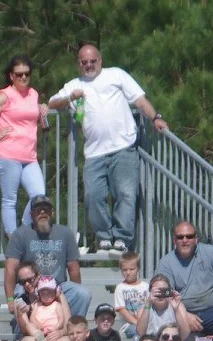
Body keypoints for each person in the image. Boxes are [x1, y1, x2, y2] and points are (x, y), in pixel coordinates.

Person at [45, 41, 168, 253]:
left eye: (93, 61)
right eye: (84, 62)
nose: (89, 65)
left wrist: (155, 117)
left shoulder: (116, 75)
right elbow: (52, 103)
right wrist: (69, 97)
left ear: (100, 60)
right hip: (94, 153)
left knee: (126, 194)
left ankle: (121, 238)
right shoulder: (74, 84)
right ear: (79, 64)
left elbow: (139, 100)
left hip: (123, 146)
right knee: (93, 196)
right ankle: (103, 238)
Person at [0, 54, 46, 239]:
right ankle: (13, 237)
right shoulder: (6, 95)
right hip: (8, 154)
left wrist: (43, 107)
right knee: (10, 199)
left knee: (39, 196)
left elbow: (32, 113)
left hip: (30, 156)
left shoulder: (33, 93)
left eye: (26, 74)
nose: (23, 78)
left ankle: (23, 228)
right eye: (19, 74)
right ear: (11, 76)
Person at [153, 223, 213, 337]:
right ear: (174, 241)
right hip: (181, 314)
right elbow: (163, 292)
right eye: (180, 237)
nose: (185, 240)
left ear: (196, 239)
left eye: (189, 236)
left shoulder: (210, 252)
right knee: (180, 340)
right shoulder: (166, 263)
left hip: (212, 312)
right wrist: (184, 314)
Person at [2, 196, 86, 315]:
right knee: (19, 297)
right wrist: (10, 300)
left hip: (58, 286)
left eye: (46, 209)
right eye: (38, 210)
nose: (42, 212)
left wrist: (76, 289)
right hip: (29, 285)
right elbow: (10, 268)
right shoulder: (20, 234)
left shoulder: (65, 233)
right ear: (31, 214)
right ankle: (27, 329)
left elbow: (73, 268)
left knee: (82, 294)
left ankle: (73, 328)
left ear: (52, 212)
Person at [15, 276, 71, 341]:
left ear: (56, 292)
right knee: (32, 337)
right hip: (39, 333)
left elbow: (62, 320)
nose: (46, 295)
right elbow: (32, 319)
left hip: (51, 331)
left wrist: (56, 329)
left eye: (50, 292)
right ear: (39, 294)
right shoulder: (36, 304)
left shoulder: (57, 305)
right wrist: (37, 324)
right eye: (43, 293)